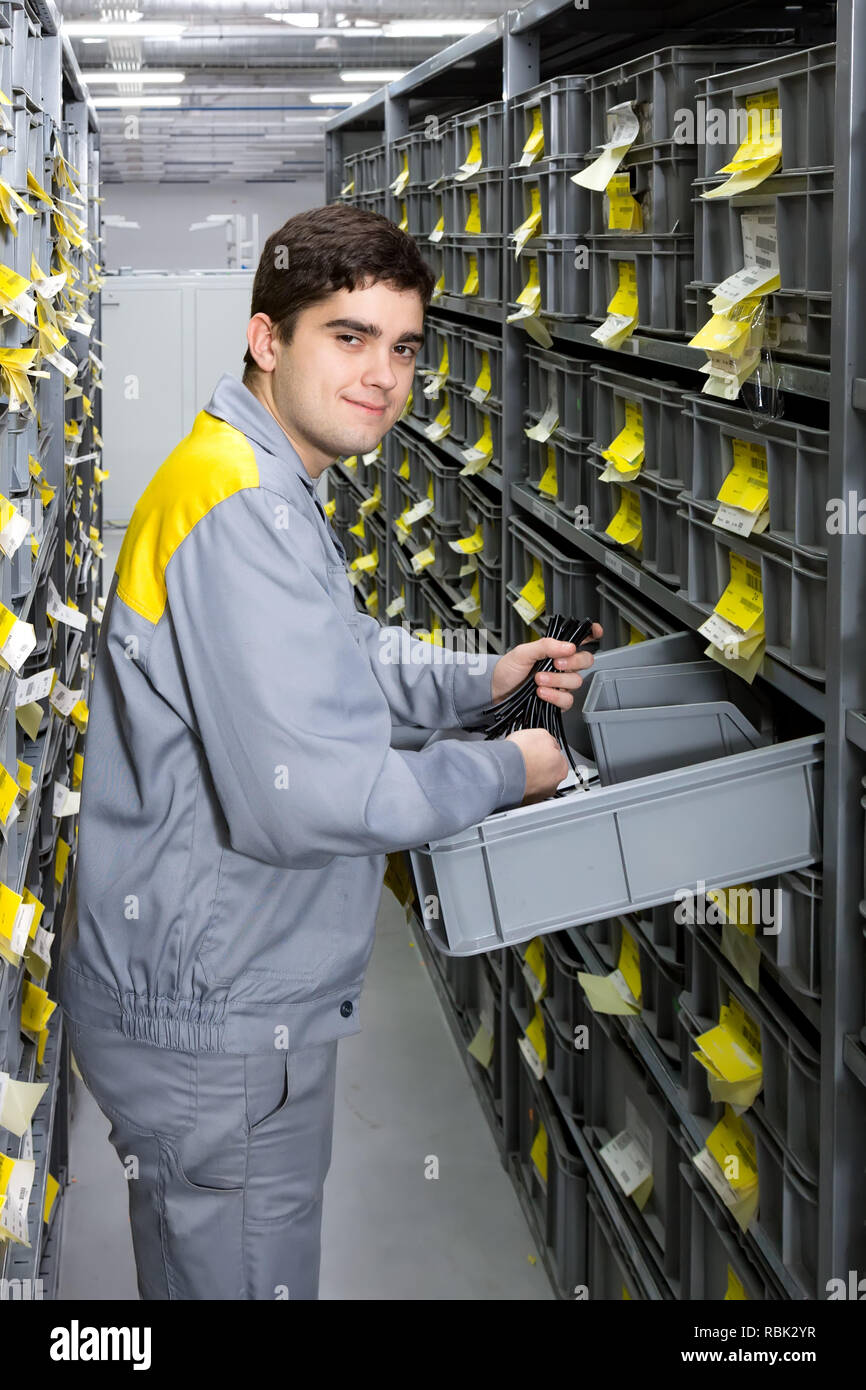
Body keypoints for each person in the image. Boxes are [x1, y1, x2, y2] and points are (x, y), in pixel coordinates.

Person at [57, 202, 601, 1301]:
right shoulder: (239, 504)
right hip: (216, 1022)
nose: (383, 377)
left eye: (402, 347)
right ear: (269, 339)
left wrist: (475, 678)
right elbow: (311, 800)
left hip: (211, 998)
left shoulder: (247, 474)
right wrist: (514, 765)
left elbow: (326, 648)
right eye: (347, 338)